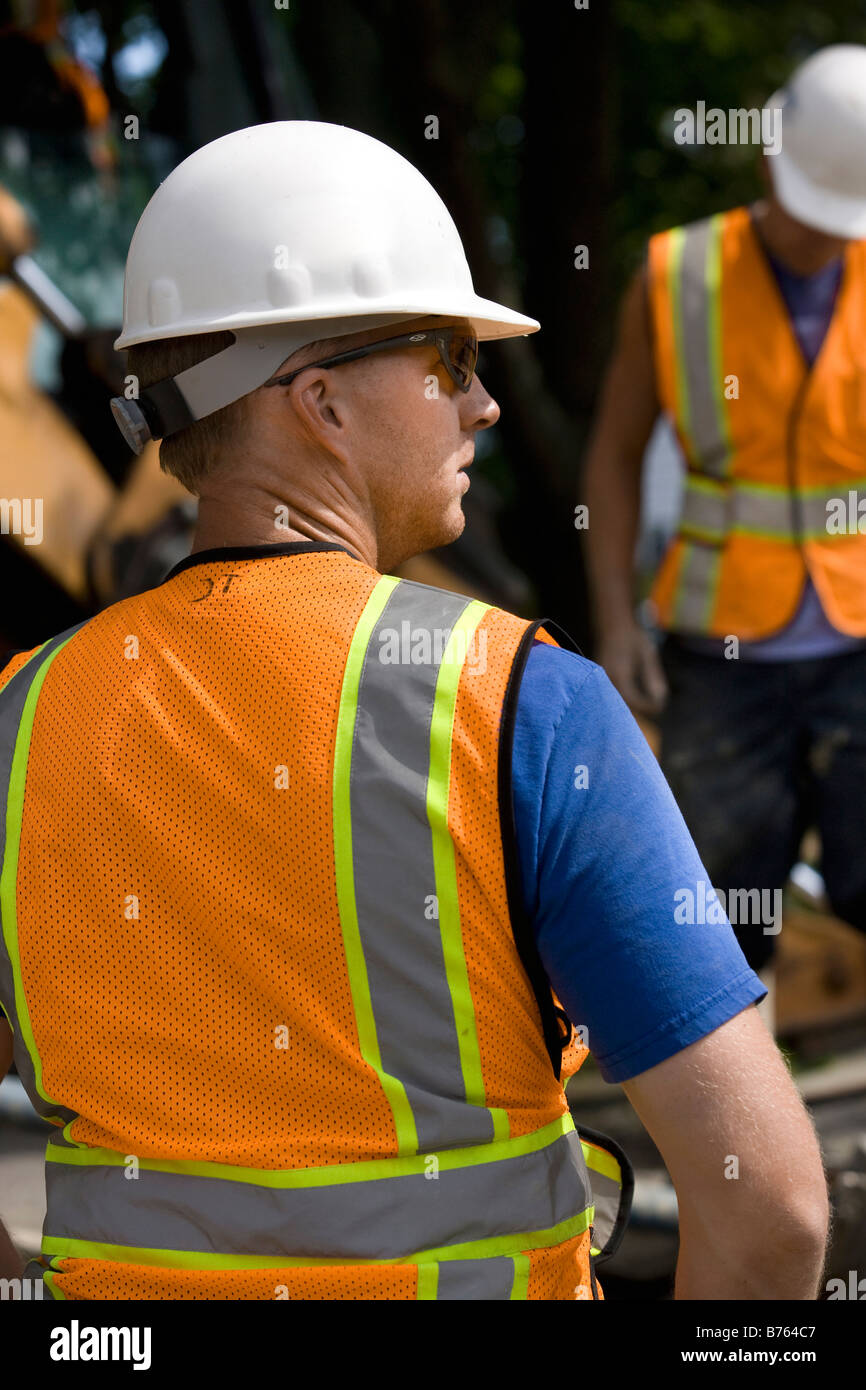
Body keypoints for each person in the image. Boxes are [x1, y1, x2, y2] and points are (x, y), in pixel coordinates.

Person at [0, 121, 827, 1301]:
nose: (482, 404)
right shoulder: (521, 705)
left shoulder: (22, 721)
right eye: (446, 358)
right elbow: (775, 1212)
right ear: (321, 402)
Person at [583, 45, 866, 1007]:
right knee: (718, 921)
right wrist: (617, 625)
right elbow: (615, 457)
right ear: (767, 163)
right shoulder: (678, 273)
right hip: (725, 654)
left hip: (861, 637)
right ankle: (758, 1148)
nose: (822, 238)